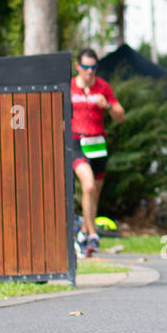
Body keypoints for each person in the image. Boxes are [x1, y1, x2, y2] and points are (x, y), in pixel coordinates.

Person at [70, 49, 125, 257]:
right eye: (86, 67)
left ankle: (82, 235)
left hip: (97, 142)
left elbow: (121, 116)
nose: (90, 72)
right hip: (76, 141)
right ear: (78, 67)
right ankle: (93, 234)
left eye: (93, 68)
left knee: (95, 194)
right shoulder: (69, 86)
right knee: (88, 184)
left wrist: (108, 105)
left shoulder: (103, 87)